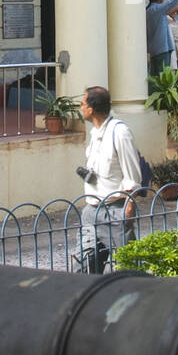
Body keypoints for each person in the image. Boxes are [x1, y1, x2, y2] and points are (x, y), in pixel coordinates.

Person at [77, 86, 143, 272]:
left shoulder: (119, 132)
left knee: (128, 268)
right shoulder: (95, 133)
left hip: (115, 210)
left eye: (82, 104)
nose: (80, 108)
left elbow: (133, 174)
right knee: (84, 268)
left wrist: (129, 208)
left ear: (91, 109)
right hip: (92, 210)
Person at [145, 0, 178, 76]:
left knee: (155, 75)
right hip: (163, 47)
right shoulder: (159, 8)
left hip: (153, 48)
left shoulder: (147, 9)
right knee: (163, 76)